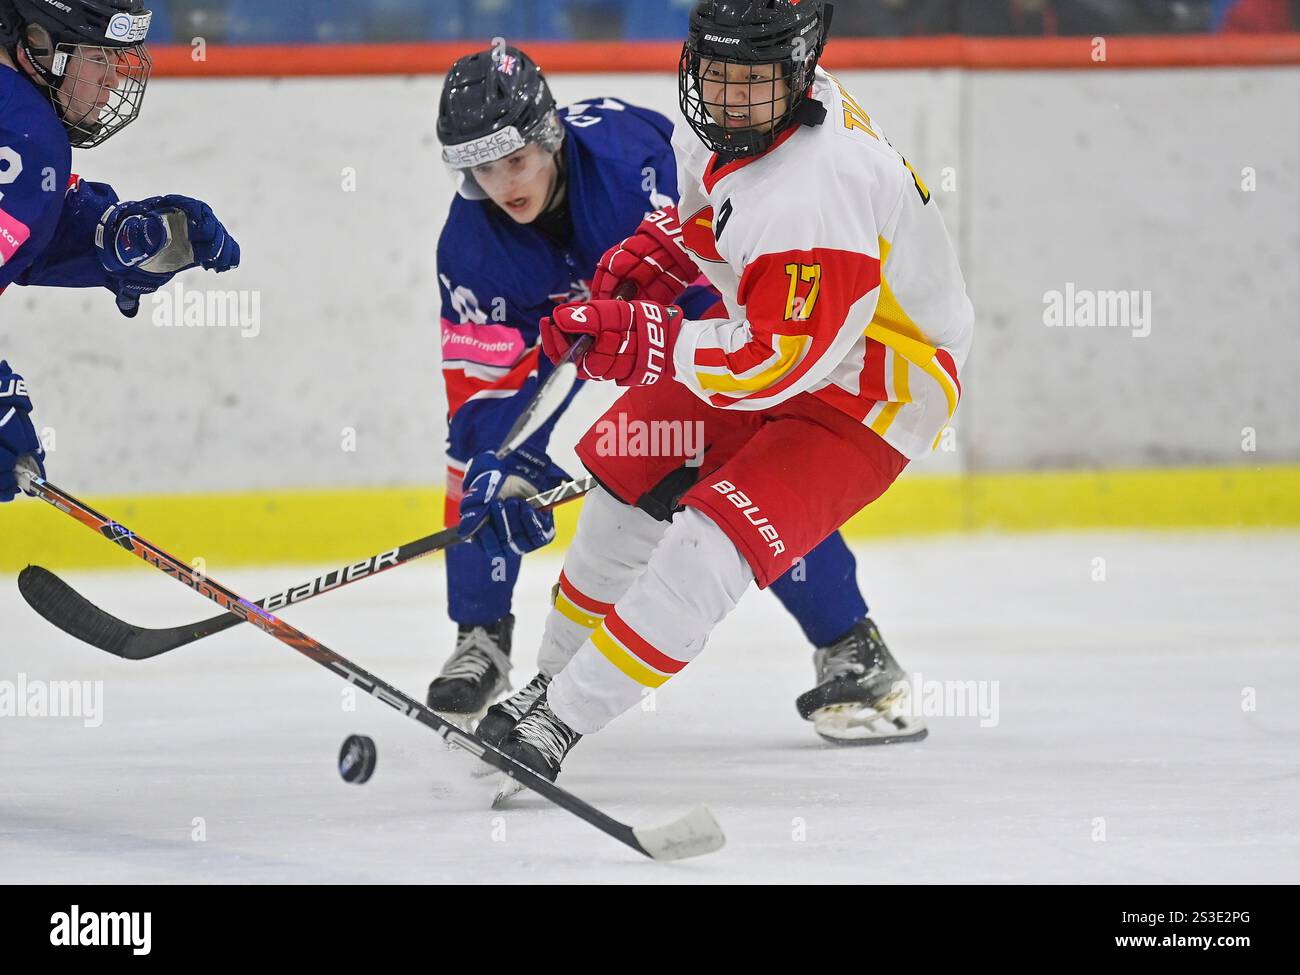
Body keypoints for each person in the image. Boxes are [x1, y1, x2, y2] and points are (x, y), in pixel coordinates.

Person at [485, 0, 975, 786]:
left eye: (753, 80)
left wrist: (649, 340)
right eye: (716, 74)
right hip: (784, 330)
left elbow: (775, 366)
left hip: (874, 384)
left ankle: (561, 724)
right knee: (626, 465)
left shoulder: (821, 186)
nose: (729, 98)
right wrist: (666, 251)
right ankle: (550, 678)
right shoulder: (720, 118)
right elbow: (724, 215)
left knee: (705, 548)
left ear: (798, 71)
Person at [0, 0, 240, 500]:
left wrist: (108, 235)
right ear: (38, 44)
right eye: (99, 57)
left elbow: (23, 229)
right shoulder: (23, 134)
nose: (113, 80)